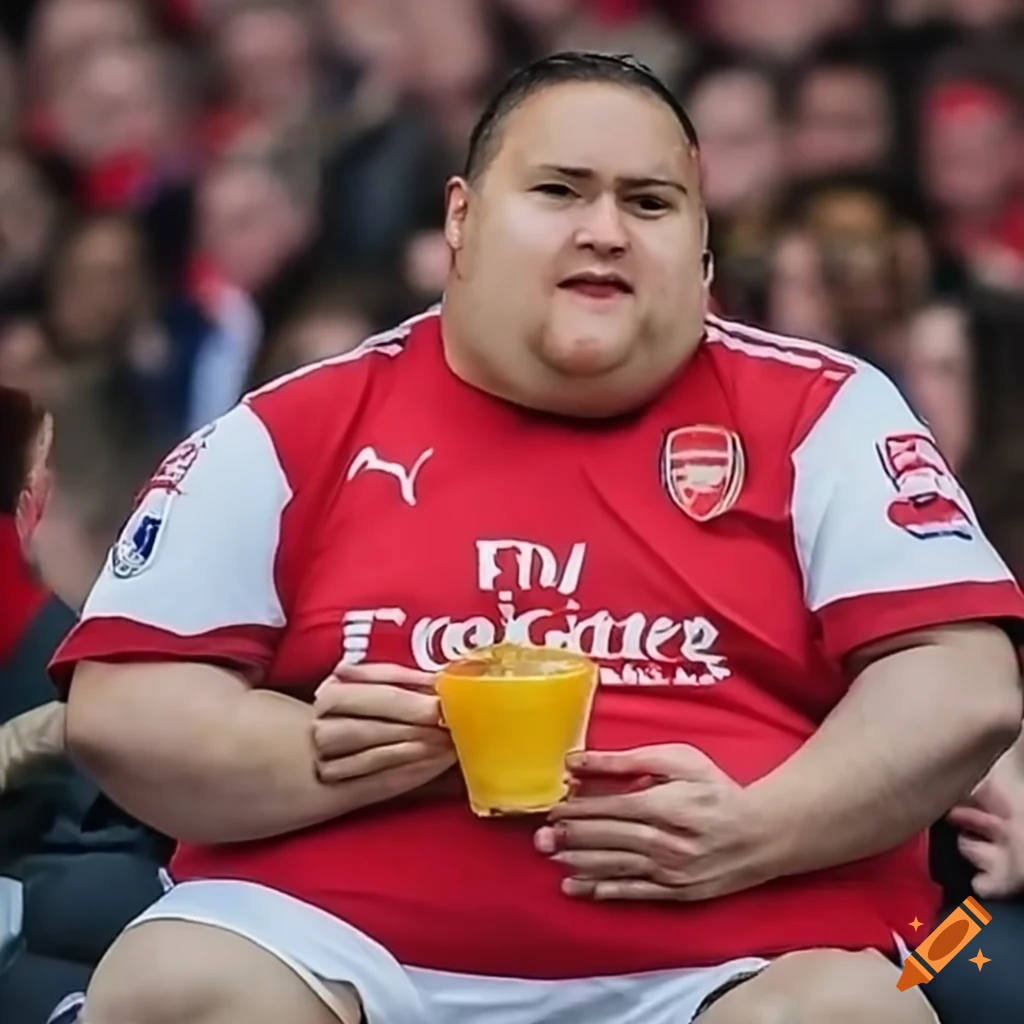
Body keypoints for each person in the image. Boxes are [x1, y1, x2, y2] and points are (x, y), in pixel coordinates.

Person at [53, 53, 1024, 1024]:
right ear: (462, 217)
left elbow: (961, 684)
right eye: (559, 191)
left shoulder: (825, 410)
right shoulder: (293, 426)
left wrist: (760, 827)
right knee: (173, 986)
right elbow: (123, 707)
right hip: (330, 943)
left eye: (650, 203)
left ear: (703, 249)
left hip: (742, 950)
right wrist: (319, 753)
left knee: (848, 1015)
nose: (603, 231)